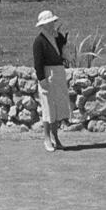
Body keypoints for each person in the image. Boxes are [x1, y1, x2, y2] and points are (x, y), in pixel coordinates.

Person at [33, 9, 71, 151]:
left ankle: (55, 137)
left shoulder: (57, 37)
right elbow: (38, 63)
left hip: (58, 74)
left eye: (52, 22)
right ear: (43, 25)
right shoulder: (39, 41)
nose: (51, 25)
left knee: (57, 108)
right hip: (47, 75)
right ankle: (47, 138)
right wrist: (41, 79)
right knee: (48, 108)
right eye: (48, 23)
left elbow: (63, 52)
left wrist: (61, 40)